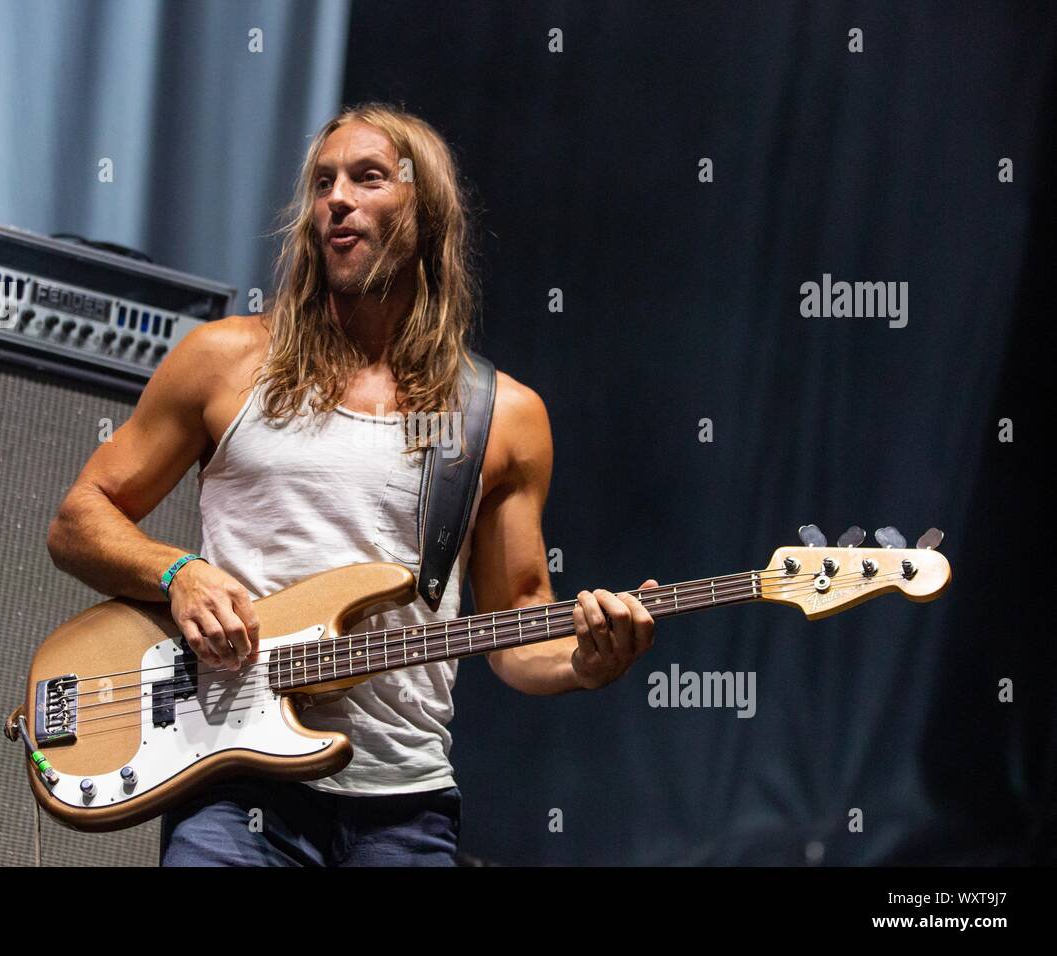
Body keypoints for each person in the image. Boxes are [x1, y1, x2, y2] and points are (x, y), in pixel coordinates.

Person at [46, 102, 658, 866]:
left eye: (369, 178)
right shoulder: (225, 361)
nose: (337, 198)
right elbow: (78, 518)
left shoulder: (503, 416)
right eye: (323, 182)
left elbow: (518, 628)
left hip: (403, 806)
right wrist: (180, 574)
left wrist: (584, 662)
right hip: (236, 789)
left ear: (427, 214)